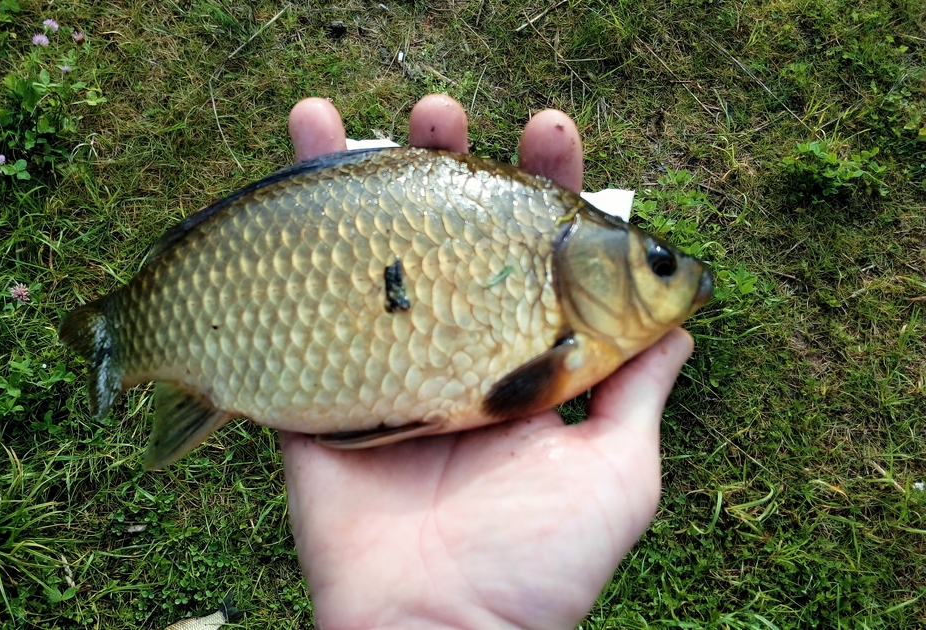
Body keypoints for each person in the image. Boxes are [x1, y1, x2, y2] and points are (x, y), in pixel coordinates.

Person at [278, 94, 695, 630]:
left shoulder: (579, 329)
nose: (672, 276)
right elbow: (510, 392)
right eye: (659, 266)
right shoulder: (577, 345)